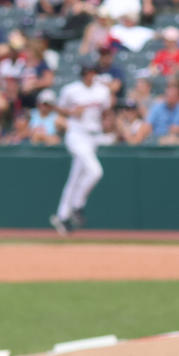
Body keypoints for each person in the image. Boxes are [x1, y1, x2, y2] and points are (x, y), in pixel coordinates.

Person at [51, 65, 113, 235]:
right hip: (76, 134)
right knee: (95, 171)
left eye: (92, 72)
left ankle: (62, 216)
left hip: (94, 136)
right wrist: (71, 111)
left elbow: (106, 111)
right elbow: (58, 109)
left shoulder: (102, 91)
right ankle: (78, 205)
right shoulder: (71, 90)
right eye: (87, 73)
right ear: (82, 74)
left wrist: (108, 123)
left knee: (75, 178)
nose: (90, 75)